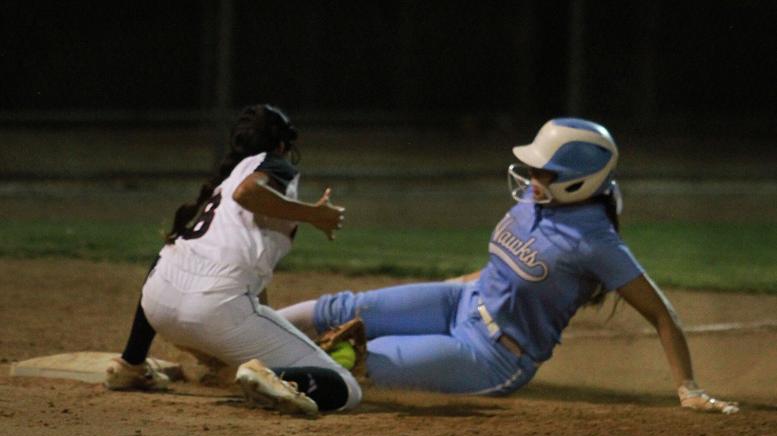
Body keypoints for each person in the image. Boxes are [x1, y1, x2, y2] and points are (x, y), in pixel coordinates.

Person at [280, 117, 738, 414]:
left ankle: (276, 377)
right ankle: (246, 330)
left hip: (493, 357)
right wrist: (444, 290)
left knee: (364, 359)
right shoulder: (532, 203)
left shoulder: (597, 241)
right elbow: (498, 269)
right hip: (460, 299)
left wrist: (689, 388)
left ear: (580, 181)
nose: (533, 178)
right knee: (346, 308)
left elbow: (661, 314)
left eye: (545, 172)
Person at [105, 104, 362, 416]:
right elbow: (248, 193)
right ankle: (276, 378)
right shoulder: (273, 165)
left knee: (173, 254)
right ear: (282, 145)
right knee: (346, 387)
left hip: (159, 304)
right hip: (217, 310)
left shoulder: (223, 182)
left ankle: (130, 364)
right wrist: (314, 215)